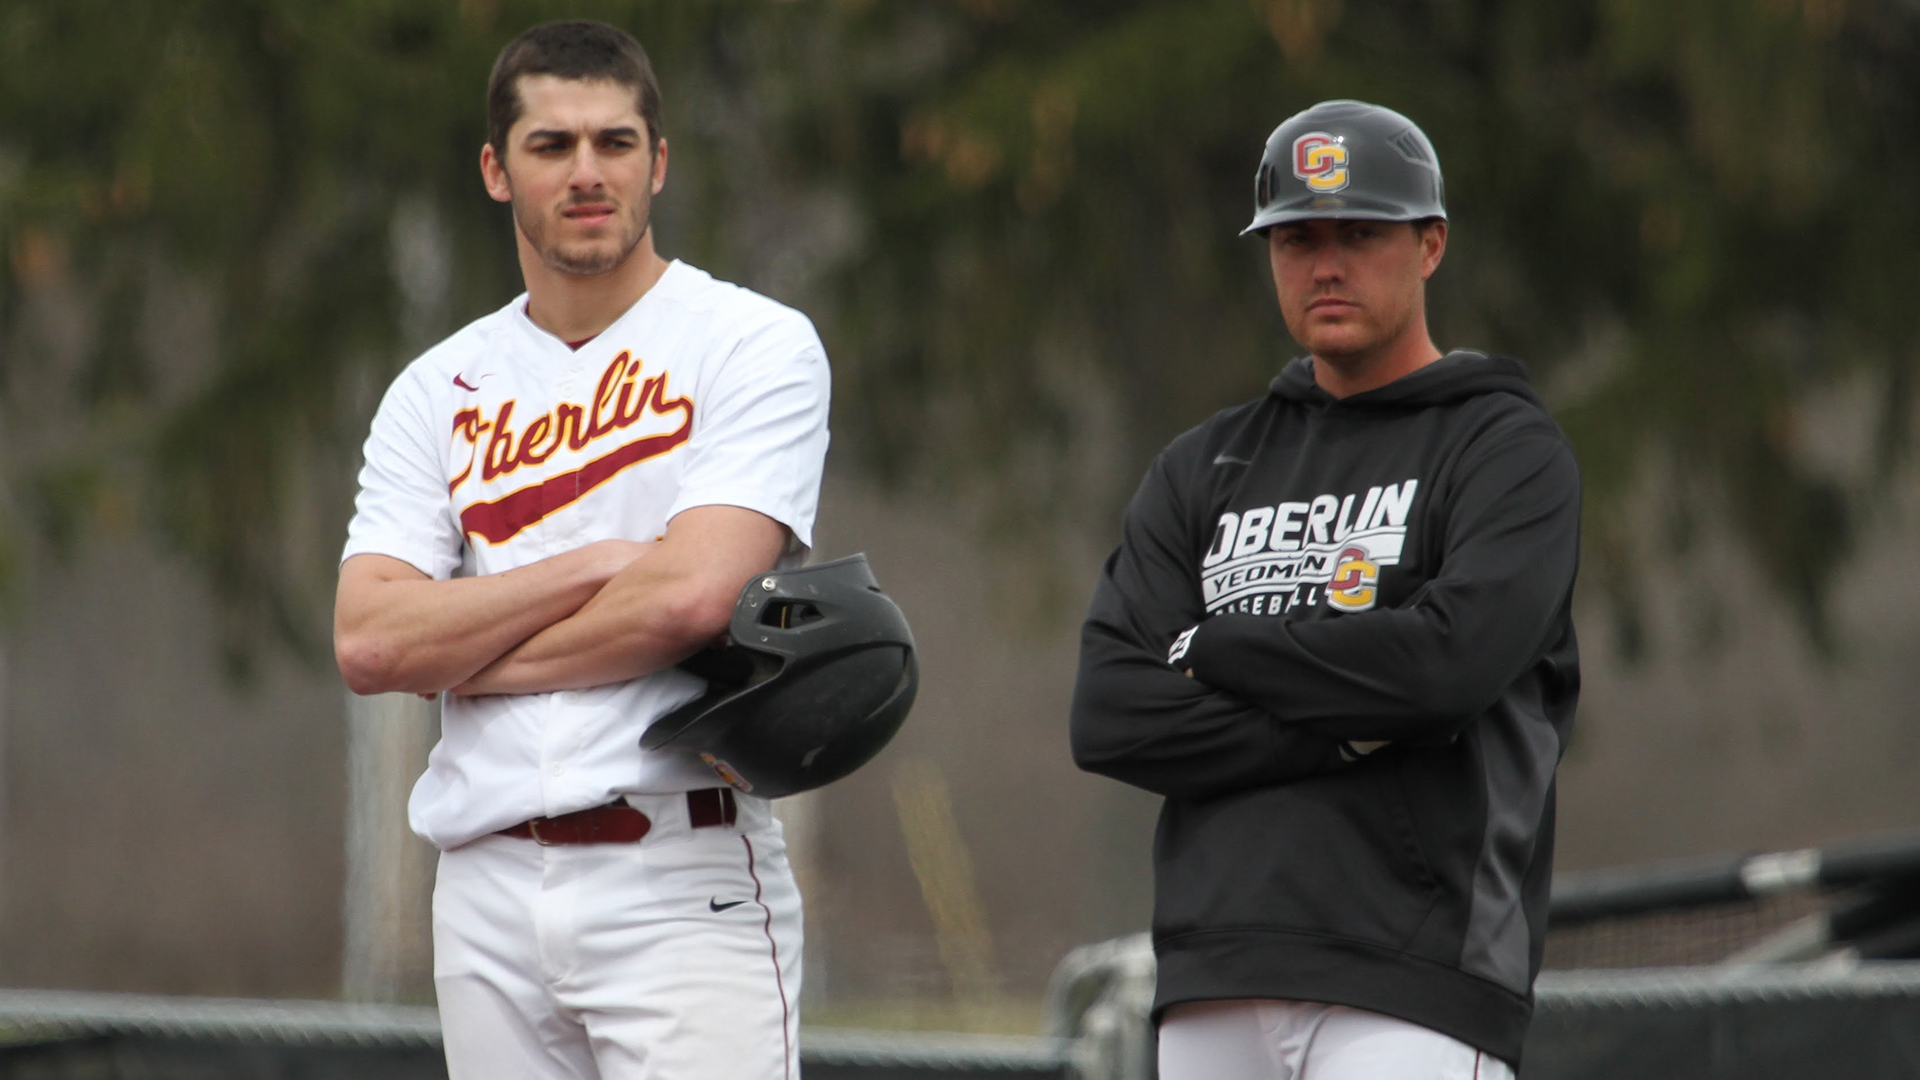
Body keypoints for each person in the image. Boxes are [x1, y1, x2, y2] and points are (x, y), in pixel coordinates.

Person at [332, 21, 828, 1080]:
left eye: (614, 141)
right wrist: (590, 565)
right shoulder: (436, 389)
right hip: (484, 886)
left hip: (680, 866)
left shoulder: (753, 342)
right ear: (496, 171)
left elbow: (689, 600)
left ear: (659, 160)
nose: (587, 172)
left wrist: (460, 652)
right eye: (551, 146)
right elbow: (371, 642)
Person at [1070, 99, 1581, 1079]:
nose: (1327, 264)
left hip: (1414, 975)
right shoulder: (1203, 465)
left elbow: (1446, 668)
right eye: (1297, 238)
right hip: (1214, 970)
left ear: (1430, 246)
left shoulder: (1504, 448)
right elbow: (1111, 715)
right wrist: (1353, 721)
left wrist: (1222, 650)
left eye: (1361, 233)